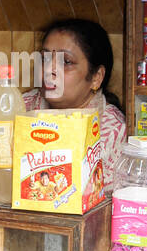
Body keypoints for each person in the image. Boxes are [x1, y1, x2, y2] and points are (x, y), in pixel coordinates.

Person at [24, 18, 126, 188]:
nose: (49, 70)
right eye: (46, 59)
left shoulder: (113, 131)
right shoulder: (21, 107)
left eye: (66, 62)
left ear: (96, 77)